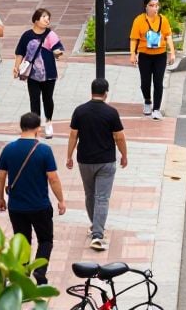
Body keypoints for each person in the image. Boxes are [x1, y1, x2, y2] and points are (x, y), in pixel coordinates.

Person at [0, 112, 66, 286]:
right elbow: (53, 178)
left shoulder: (9, 149)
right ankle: (40, 271)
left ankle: (22, 273)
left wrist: (0, 198)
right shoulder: (44, 150)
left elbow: (0, 176)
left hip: (17, 206)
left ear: (21, 127)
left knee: (22, 240)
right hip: (40, 205)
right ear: (38, 129)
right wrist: (61, 200)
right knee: (45, 240)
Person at [66, 78, 128, 251]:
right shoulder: (111, 113)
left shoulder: (80, 111)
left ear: (91, 91)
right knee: (102, 198)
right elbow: (119, 137)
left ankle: (95, 226)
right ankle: (98, 235)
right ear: (106, 93)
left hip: (84, 160)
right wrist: (124, 155)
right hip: (106, 161)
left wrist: (69, 156)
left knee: (90, 194)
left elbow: (73, 135)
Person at [13, 9, 64, 139]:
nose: (47, 20)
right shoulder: (27, 36)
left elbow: (59, 50)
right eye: (44, 17)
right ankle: (35, 126)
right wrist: (16, 67)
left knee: (48, 99)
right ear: (36, 20)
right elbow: (20, 52)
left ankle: (48, 123)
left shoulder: (51, 35)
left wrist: (57, 53)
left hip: (49, 74)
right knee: (34, 100)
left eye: (48, 17)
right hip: (32, 74)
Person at [129, 0, 176, 120]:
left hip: (160, 55)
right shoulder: (139, 20)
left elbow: (168, 36)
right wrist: (133, 54)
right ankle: (147, 101)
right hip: (145, 55)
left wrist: (172, 52)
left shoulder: (163, 20)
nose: (155, 8)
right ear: (146, 7)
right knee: (145, 82)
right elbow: (134, 38)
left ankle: (156, 109)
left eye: (156, 6)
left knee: (158, 82)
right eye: (151, 6)